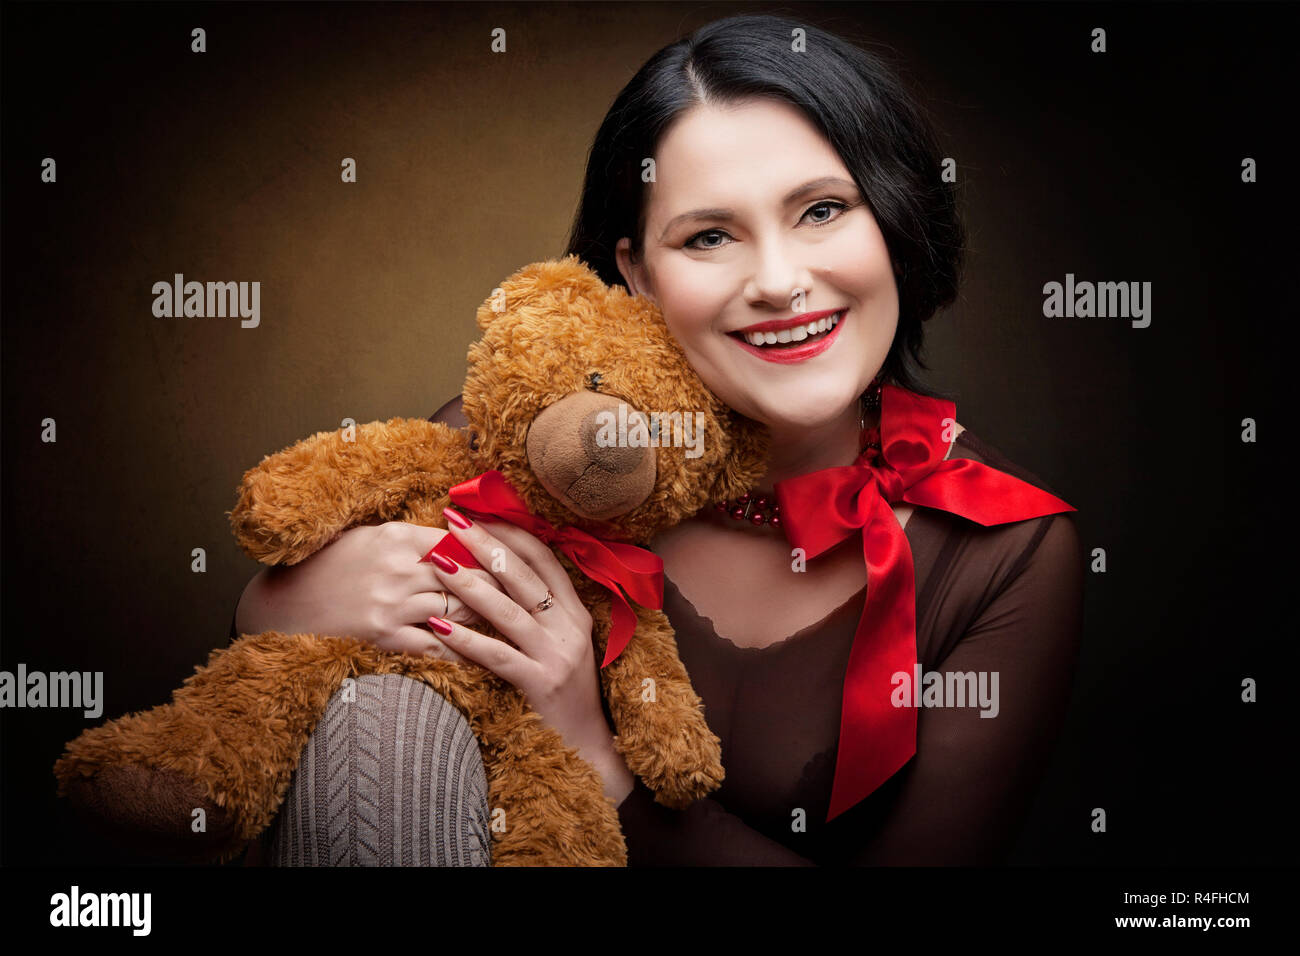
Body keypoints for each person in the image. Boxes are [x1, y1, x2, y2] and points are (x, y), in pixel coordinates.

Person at [232, 12, 1083, 866]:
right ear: (637, 274)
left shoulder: (1005, 550)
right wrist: (275, 605)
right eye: (709, 236)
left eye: (822, 210)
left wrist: (600, 759)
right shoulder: (542, 444)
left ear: (895, 222)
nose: (781, 283)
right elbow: (300, 661)